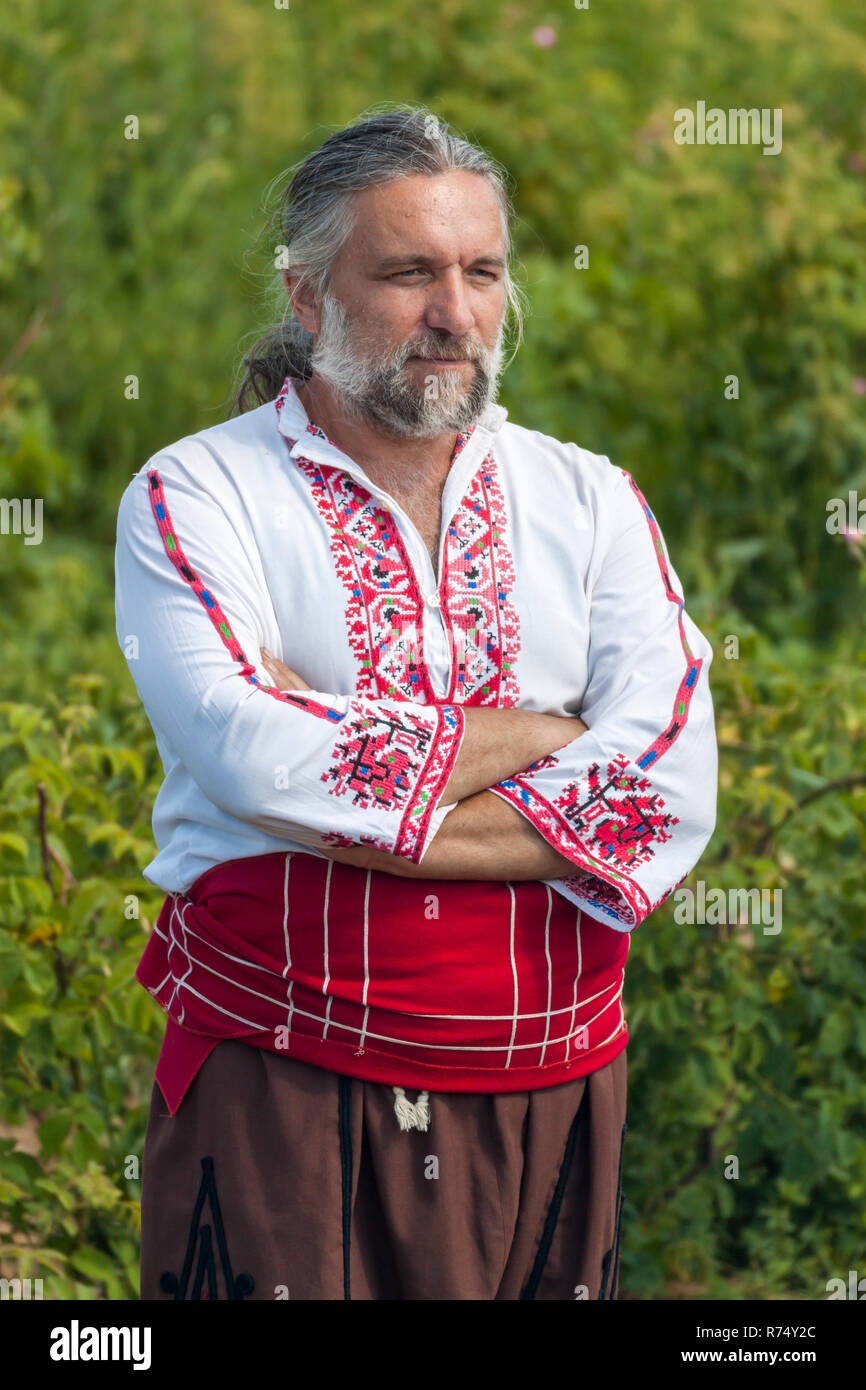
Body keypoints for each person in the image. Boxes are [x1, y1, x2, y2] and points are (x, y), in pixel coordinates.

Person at [114, 105, 718, 1301]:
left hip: (554, 1086)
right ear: (305, 296)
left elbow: (666, 790)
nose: (453, 312)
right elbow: (249, 755)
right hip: (288, 1086)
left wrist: (344, 774)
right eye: (406, 273)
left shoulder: (588, 499)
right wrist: (554, 741)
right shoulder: (197, 492)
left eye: (479, 271)